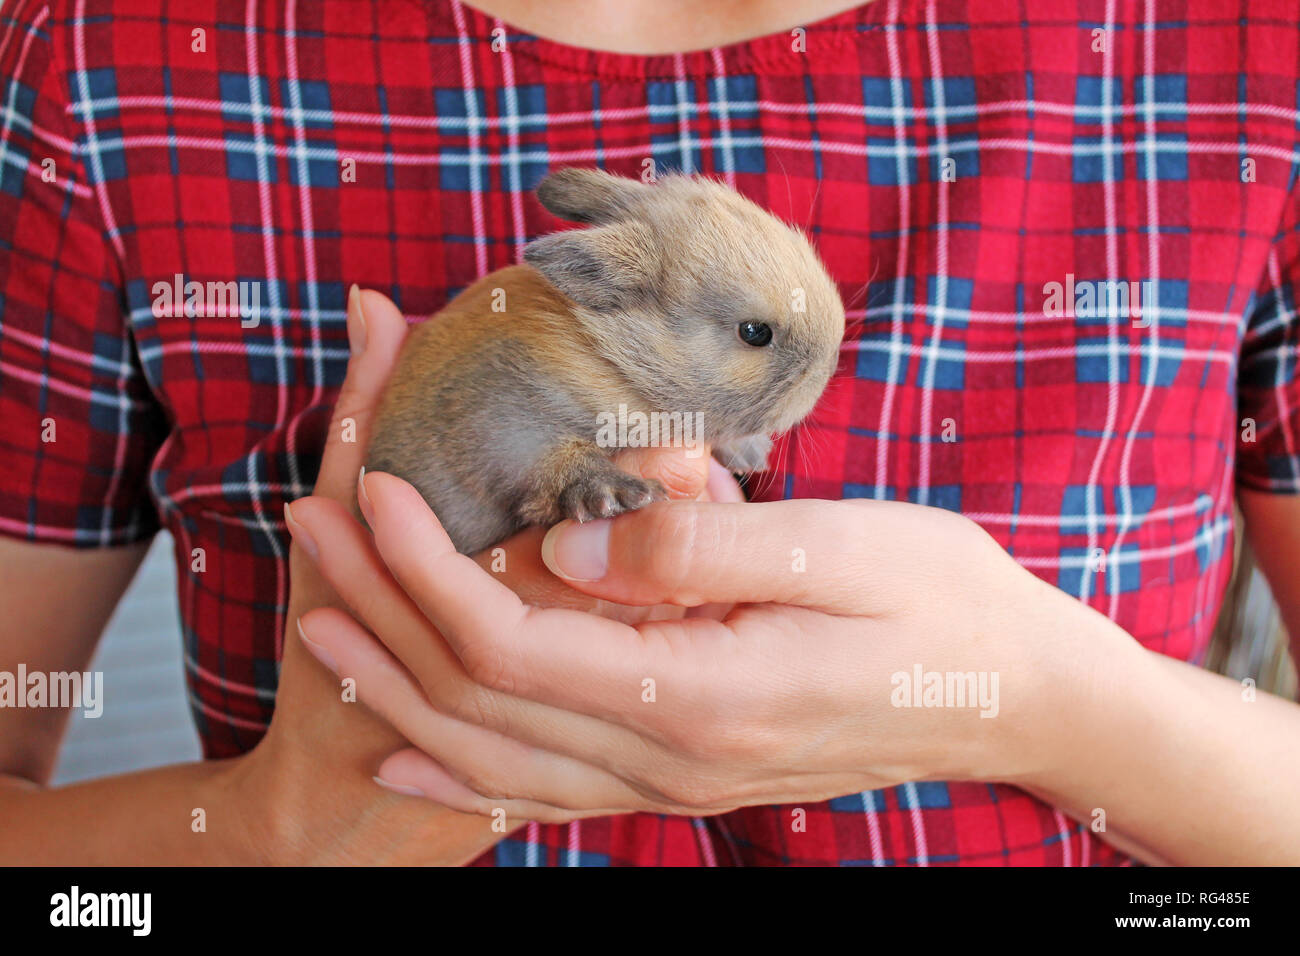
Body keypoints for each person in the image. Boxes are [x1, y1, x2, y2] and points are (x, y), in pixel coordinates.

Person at [1, 0, 1298, 866]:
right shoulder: (97, 57)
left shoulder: (1245, 44)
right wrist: (262, 835)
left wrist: (1040, 705)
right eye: (760, 349)